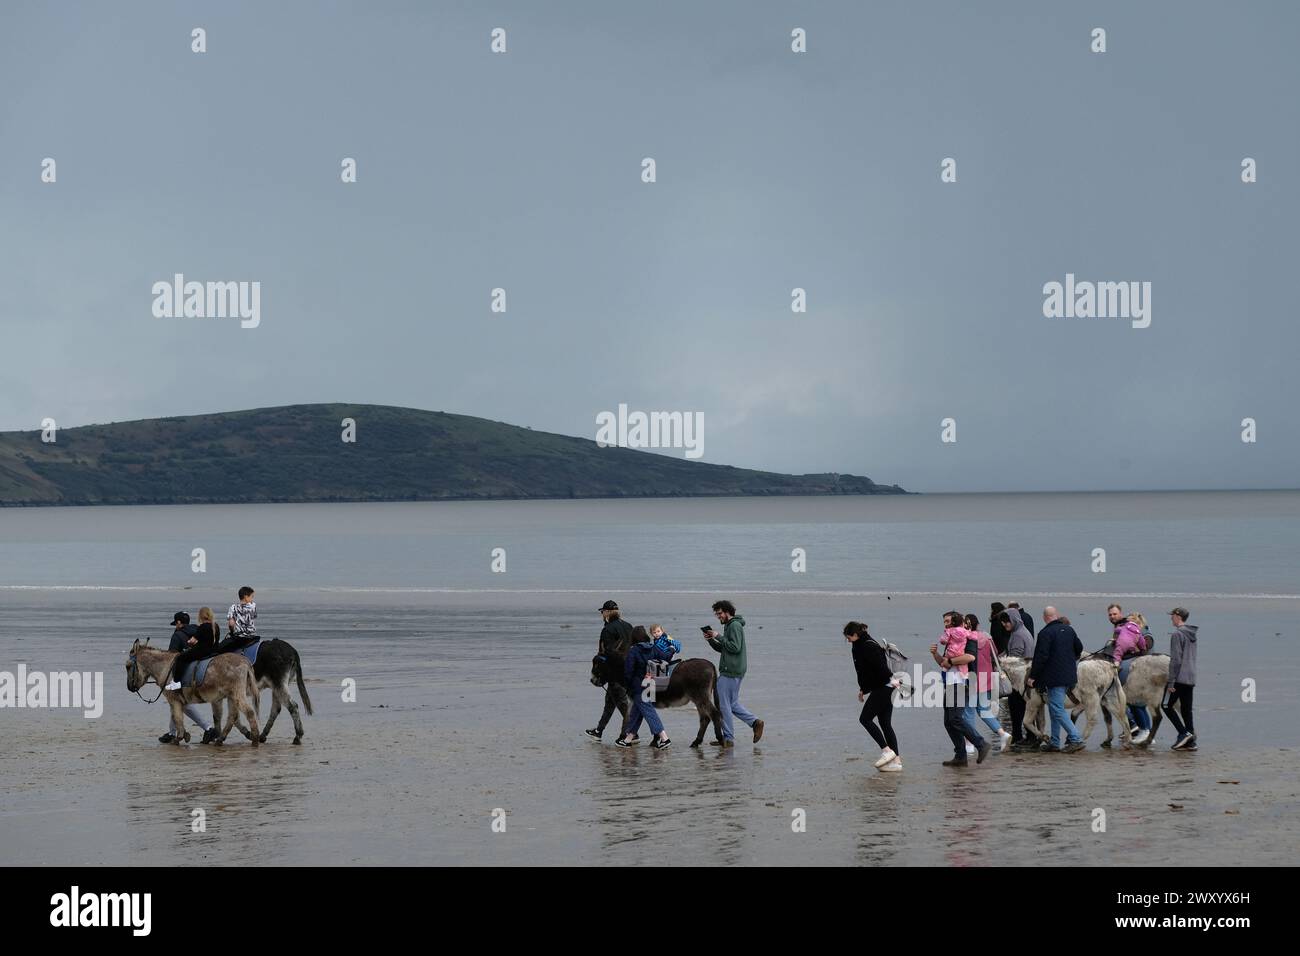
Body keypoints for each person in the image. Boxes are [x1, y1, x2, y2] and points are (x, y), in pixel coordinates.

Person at [704, 600, 764, 747]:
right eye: (717, 614)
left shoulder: (734, 626)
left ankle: (729, 739)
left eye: (719, 614)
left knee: (723, 705)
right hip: (734, 670)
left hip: (731, 671)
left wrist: (718, 636)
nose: (718, 617)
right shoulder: (730, 626)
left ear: (727, 611)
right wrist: (711, 640)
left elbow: (735, 647)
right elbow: (726, 649)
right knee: (732, 704)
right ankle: (755, 722)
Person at [932, 611, 988, 767]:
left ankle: (980, 744)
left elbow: (970, 657)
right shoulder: (951, 638)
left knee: (956, 718)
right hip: (950, 682)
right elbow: (944, 663)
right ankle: (960, 756)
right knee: (949, 722)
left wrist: (950, 660)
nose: (946, 624)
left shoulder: (968, 637)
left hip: (962, 681)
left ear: (958, 621)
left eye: (948, 621)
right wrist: (935, 654)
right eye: (944, 621)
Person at [844, 622, 902, 772]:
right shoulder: (859, 645)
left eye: (849, 637)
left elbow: (880, 666)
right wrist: (863, 689)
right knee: (885, 724)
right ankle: (896, 761)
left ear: (856, 634)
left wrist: (891, 678)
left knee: (865, 719)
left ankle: (886, 751)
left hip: (885, 686)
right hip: (883, 685)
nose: (848, 640)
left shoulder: (868, 646)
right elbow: (864, 671)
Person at [1028, 606, 1084, 753]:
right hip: (1070, 676)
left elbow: (1041, 657)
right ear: (1056, 615)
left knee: (1057, 709)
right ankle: (1055, 742)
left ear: (1044, 618)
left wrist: (1032, 676)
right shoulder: (1069, 630)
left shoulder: (1045, 633)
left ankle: (1076, 739)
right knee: (1054, 708)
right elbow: (1079, 648)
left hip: (1054, 678)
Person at [158, 611, 218, 744]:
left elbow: (171, 656)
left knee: (180, 702)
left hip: (185, 671)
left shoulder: (177, 635)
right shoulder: (197, 629)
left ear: (179, 623)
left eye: (176, 623)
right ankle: (172, 732)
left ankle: (207, 728)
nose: (175, 626)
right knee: (176, 702)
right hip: (201, 665)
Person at [586, 600, 635, 741]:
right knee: (610, 702)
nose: (602, 615)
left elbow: (606, 653)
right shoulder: (628, 626)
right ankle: (599, 730)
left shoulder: (607, 630)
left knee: (624, 706)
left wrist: (600, 672)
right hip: (628, 670)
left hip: (615, 673)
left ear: (607, 612)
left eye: (602, 612)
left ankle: (630, 734)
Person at [617, 626, 674, 749]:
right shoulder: (653, 648)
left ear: (634, 638)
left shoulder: (634, 651)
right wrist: (671, 648)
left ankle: (665, 738)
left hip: (639, 686)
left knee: (649, 712)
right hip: (652, 684)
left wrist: (627, 685)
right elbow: (666, 657)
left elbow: (628, 671)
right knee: (637, 713)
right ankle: (628, 739)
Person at [963, 614, 1012, 752]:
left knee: (968, 712)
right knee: (984, 710)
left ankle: (969, 744)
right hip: (986, 678)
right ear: (978, 624)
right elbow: (995, 655)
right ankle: (1003, 734)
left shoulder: (966, 638)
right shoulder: (987, 637)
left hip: (971, 677)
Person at [1107, 603, 1151, 743]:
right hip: (1127, 668)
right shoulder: (1120, 627)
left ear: (1121, 613)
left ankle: (1142, 729)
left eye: (1114, 613)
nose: (1112, 616)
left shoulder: (1130, 625)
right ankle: (1136, 728)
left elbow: (1146, 643)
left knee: (1134, 702)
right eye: (1110, 614)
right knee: (1128, 702)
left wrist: (1137, 652)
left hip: (1134, 670)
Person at [997, 609, 1037, 749]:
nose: (1005, 624)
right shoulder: (1023, 631)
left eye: (1007, 621)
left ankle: (1019, 736)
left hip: (1020, 678)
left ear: (1014, 619)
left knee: (1016, 707)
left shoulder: (1018, 635)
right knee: (1024, 707)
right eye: (1003, 622)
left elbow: (1015, 658)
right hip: (1025, 674)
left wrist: (1001, 662)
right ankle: (1028, 736)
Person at [1163, 607, 1198, 750]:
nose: (1171, 618)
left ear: (1178, 616)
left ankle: (1184, 733)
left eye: (1172, 615)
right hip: (1190, 678)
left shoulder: (1177, 634)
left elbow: (1176, 660)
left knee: (1165, 705)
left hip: (1178, 679)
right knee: (1186, 709)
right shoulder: (1192, 634)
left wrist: (1171, 681)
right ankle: (1191, 742)